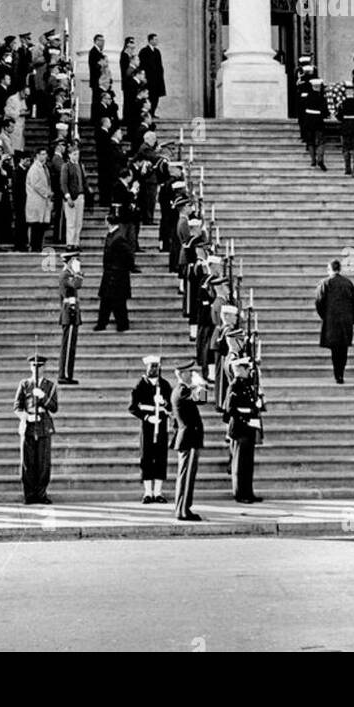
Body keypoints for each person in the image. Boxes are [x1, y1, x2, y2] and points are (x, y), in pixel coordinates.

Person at [13, 354, 58, 505]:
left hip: (44, 425)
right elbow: (17, 407)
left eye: (39, 366)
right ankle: (30, 495)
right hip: (29, 425)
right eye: (34, 366)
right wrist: (26, 417)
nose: (36, 369)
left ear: (44, 367)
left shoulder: (50, 386)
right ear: (30, 367)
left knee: (43, 462)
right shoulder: (24, 384)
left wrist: (44, 397)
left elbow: (54, 407)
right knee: (28, 462)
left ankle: (41, 494)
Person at [130, 355, 173, 504]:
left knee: (161, 456)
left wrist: (164, 403)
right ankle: (148, 492)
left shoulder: (165, 385)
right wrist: (147, 417)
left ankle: (158, 492)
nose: (154, 369)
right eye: (151, 366)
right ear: (146, 368)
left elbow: (172, 407)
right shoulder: (140, 385)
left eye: (156, 366)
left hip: (161, 422)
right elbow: (133, 408)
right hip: (148, 424)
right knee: (147, 457)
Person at [223, 354, 262, 504]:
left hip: (249, 427)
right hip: (240, 427)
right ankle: (240, 493)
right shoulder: (234, 386)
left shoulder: (247, 385)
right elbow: (229, 409)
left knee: (248, 463)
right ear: (239, 370)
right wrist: (246, 416)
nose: (248, 371)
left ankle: (248, 492)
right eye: (246, 368)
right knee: (239, 464)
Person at [315, 258, 354, 384]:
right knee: (343, 349)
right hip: (345, 321)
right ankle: (341, 373)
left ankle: (337, 373)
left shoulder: (325, 283)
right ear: (340, 269)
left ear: (329, 269)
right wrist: (353, 318)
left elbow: (319, 301)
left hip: (331, 321)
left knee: (335, 349)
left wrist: (325, 315)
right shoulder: (348, 283)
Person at [171, 368, 205, 521]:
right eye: (189, 373)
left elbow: (201, 400)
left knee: (186, 476)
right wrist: (201, 384)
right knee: (186, 477)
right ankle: (183, 510)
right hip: (189, 438)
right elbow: (201, 398)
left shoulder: (181, 390)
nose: (191, 376)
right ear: (181, 375)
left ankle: (184, 508)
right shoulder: (182, 391)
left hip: (188, 438)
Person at [96, 210, 138, 332]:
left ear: (108, 222)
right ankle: (103, 323)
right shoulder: (114, 235)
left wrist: (124, 268)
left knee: (117, 302)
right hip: (111, 274)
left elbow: (128, 254)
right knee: (107, 301)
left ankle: (121, 324)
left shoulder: (118, 237)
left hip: (117, 275)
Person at [58, 248, 82, 385]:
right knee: (67, 347)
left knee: (70, 347)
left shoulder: (69, 274)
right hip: (70, 313)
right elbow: (77, 285)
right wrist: (77, 272)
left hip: (72, 312)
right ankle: (64, 374)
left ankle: (67, 374)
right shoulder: (65, 275)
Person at [25, 147, 52, 252]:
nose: (44, 156)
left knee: (40, 225)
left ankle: (38, 245)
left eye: (45, 154)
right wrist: (47, 193)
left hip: (42, 201)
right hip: (36, 200)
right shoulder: (34, 168)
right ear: (37, 155)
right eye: (42, 154)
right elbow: (36, 184)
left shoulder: (44, 167)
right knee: (36, 224)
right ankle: (34, 246)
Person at [336, 83, 354, 177]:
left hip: (345, 128)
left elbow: (339, 116)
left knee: (346, 148)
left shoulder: (342, 104)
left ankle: (347, 168)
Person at [303, 78, 330, 170]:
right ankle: (320, 159)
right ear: (318, 87)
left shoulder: (307, 97)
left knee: (310, 142)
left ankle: (313, 160)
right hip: (318, 121)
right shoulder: (321, 98)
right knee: (320, 142)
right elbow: (325, 112)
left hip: (308, 121)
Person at [138, 33, 167, 117]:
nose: (157, 41)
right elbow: (142, 65)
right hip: (148, 79)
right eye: (155, 39)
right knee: (149, 97)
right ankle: (148, 113)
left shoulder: (157, 52)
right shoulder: (144, 51)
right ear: (150, 40)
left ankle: (153, 112)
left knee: (155, 97)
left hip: (157, 79)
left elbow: (160, 65)